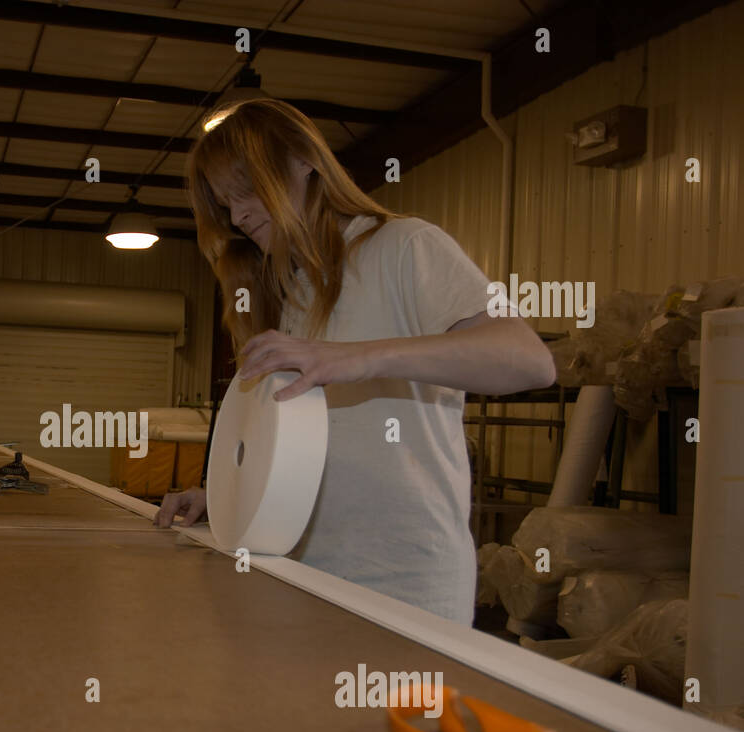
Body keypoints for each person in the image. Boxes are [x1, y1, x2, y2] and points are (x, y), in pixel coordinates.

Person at [153, 99, 556, 625]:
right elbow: (316, 439)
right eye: (226, 204)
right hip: (294, 571)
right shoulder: (287, 289)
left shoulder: (405, 246)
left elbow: (529, 360)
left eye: (247, 191)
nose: (238, 215)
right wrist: (229, 496)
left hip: (402, 584)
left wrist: (355, 357)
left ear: (304, 163)